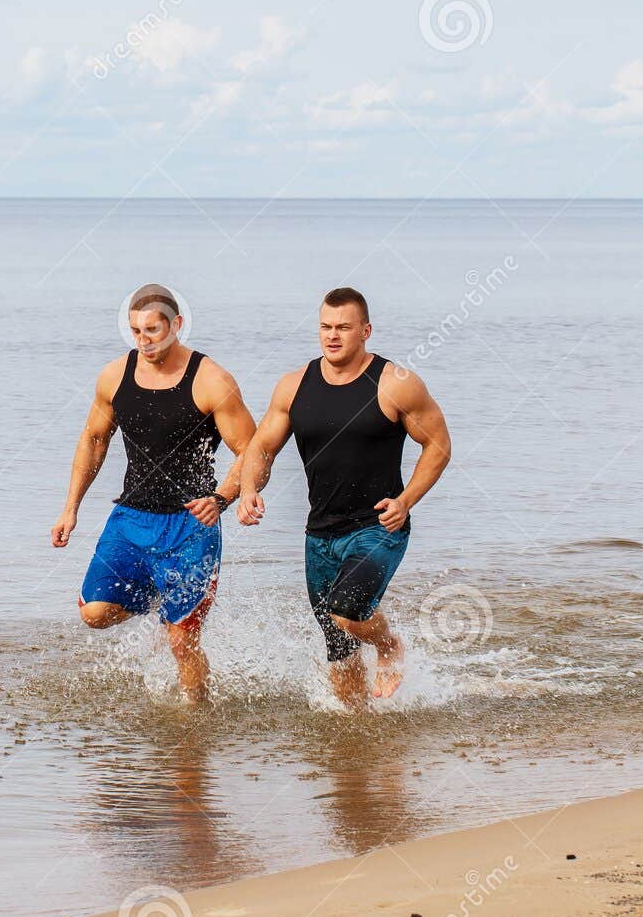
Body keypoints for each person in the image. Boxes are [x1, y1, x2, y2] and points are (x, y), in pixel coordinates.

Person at [234, 287, 451, 708]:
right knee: (338, 643)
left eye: (344, 328)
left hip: (378, 526)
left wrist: (406, 500)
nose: (332, 336)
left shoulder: (395, 384)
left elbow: (438, 445)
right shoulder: (294, 386)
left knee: (347, 610)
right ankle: (356, 724)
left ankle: (389, 645)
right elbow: (261, 447)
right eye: (326, 327)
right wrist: (248, 490)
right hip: (320, 534)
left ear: (365, 331)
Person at [51, 284, 256, 703]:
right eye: (135, 331)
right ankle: (161, 597)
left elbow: (253, 451)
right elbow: (94, 439)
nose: (143, 340)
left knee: (181, 640)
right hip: (131, 518)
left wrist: (222, 498)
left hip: (191, 524)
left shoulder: (211, 381)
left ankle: (194, 720)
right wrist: (70, 509)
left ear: (176, 325)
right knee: (94, 613)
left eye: (152, 330)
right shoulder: (114, 377)